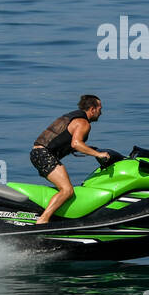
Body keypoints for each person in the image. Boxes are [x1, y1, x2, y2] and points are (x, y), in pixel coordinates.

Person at [30, 95, 108, 224]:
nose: (101, 112)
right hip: (44, 154)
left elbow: (65, 141)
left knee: (63, 188)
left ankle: (54, 216)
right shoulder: (83, 123)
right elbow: (76, 144)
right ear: (92, 109)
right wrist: (98, 155)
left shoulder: (72, 117)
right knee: (67, 190)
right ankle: (43, 220)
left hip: (37, 153)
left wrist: (92, 149)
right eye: (100, 108)